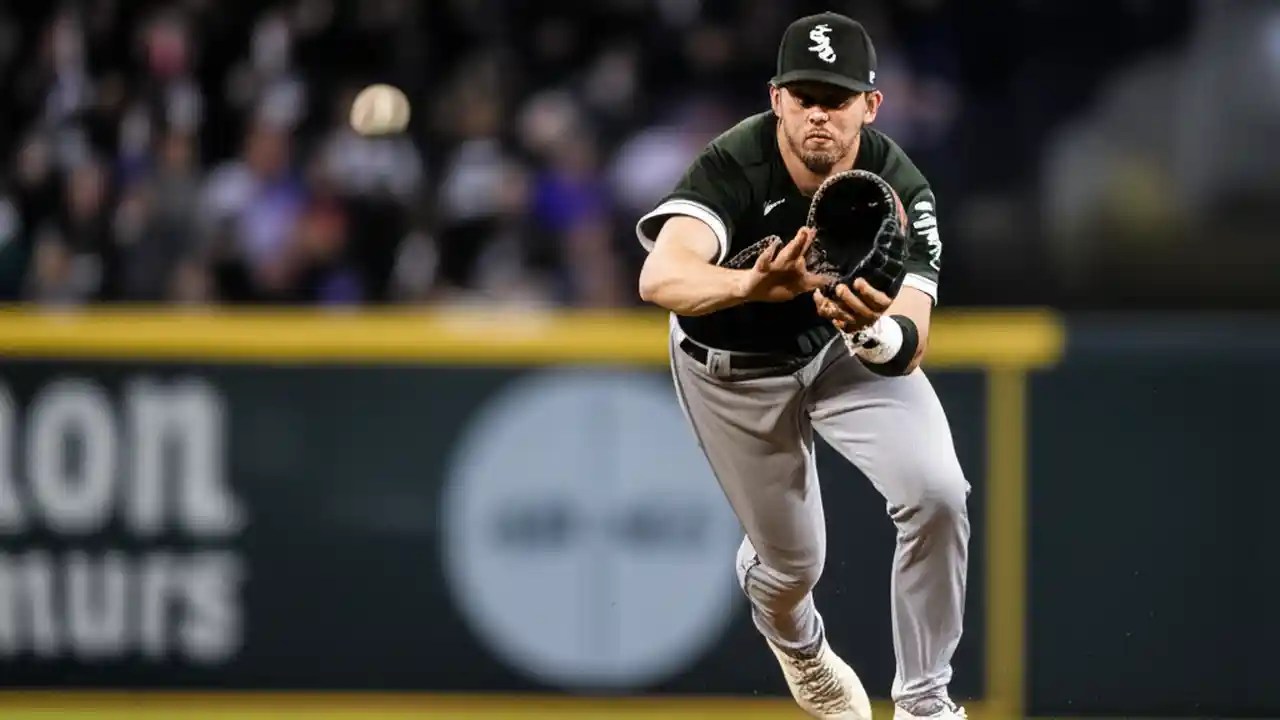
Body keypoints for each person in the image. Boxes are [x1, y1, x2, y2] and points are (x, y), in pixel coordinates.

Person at [635, 12, 969, 720]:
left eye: (838, 98)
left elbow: (912, 333)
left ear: (870, 106)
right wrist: (751, 285)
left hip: (836, 351)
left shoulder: (898, 185)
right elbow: (660, 277)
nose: (820, 114)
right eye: (805, 96)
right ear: (776, 98)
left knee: (939, 491)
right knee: (793, 569)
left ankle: (925, 702)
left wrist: (876, 334)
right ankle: (802, 647)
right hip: (733, 370)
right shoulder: (737, 163)